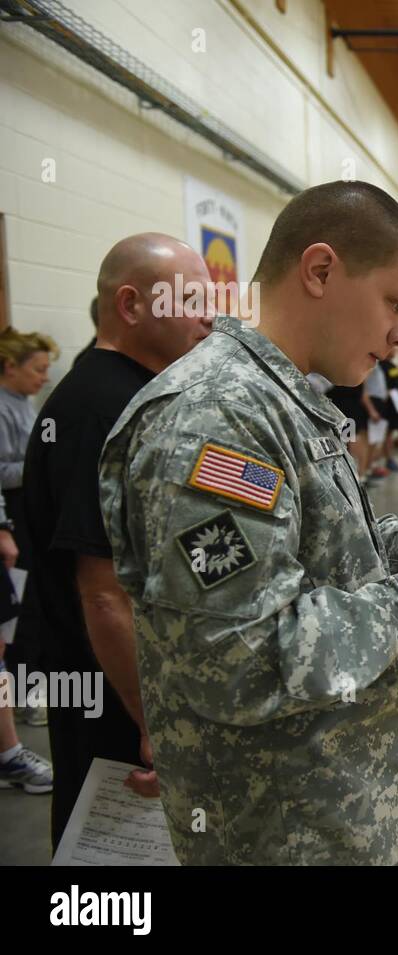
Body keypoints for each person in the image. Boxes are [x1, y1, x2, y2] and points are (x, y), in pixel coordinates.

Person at [98, 181, 398, 864]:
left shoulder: (282, 399)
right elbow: (244, 659)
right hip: (287, 834)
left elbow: (340, 555)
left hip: (347, 813)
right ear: (319, 270)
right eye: (396, 304)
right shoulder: (215, 418)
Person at [24, 233, 213, 846]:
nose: (207, 314)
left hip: (124, 679)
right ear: (130, 306)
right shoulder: (98, 408)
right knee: (109, 857)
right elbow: (103, 593)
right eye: (190, 298)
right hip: (107, 688)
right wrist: (151, 716)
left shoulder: (131, 393)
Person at [0, 327, 57, 796]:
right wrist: (39, 463)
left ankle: (22, 693)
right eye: (36, 370)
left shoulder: (22, 405)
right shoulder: (2, 407)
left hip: (20, 515)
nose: (43, 378)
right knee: (12, 623)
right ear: (10, 367)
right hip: (10, 517)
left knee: (23, 615)